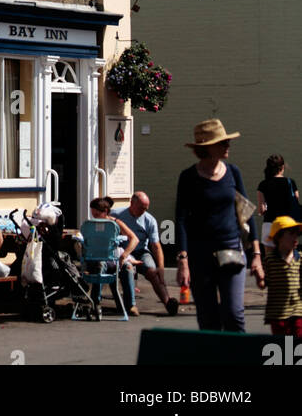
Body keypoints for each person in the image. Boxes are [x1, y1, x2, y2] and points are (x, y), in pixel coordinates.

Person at [175, 118, 265, 333]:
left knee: (233, 314)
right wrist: (183, 260)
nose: (228, 146)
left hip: (231, 250)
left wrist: (257, 255)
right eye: (223, 142)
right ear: (207, 148)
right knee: (208, 319)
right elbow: (181, 219)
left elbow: (246, 212)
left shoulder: (233, 172)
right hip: (200, 255)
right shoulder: (188, 177)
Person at [112, 191, 179, 316]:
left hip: (141, 250)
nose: (144, 211)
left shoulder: (149, 220)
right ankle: (131, 305)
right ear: (132, 203)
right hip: (123, 250)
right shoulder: (117, 215)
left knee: (153, 272)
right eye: (141, 208)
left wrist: (161, 269)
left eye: (146, 208)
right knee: (128, 269)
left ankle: (168, 302)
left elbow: (156, 246)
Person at [83, 197, 138, 313]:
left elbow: (134, 239)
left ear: (106, 212)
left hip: (114, 257)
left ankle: (130, 305)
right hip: (98, 258)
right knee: (100, 265)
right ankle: (95, 303)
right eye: (93, 215)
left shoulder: (115, 223)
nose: (95, 218)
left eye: (97, 215)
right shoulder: (91, 226)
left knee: (128, 268)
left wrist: (124, 255)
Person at [263, 216, 302, 339]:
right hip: (277, 313)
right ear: (279, 237)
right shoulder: (270, 260)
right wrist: (260, 279)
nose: (295, 237)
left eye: (297, 234)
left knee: (298, 341)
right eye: (291, 234)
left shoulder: (300, 258)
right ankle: (286, 358)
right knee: (283, 346)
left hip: (298, 311)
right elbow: (266, 281)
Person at [257, 155, 301, 243]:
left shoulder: (263, 184)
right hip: (287, 224)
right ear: (283, 167)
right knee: (288, 254)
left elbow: (261, 209)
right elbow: (296, 201)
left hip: (270, 224)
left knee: (269, 255)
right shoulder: (290, 182)